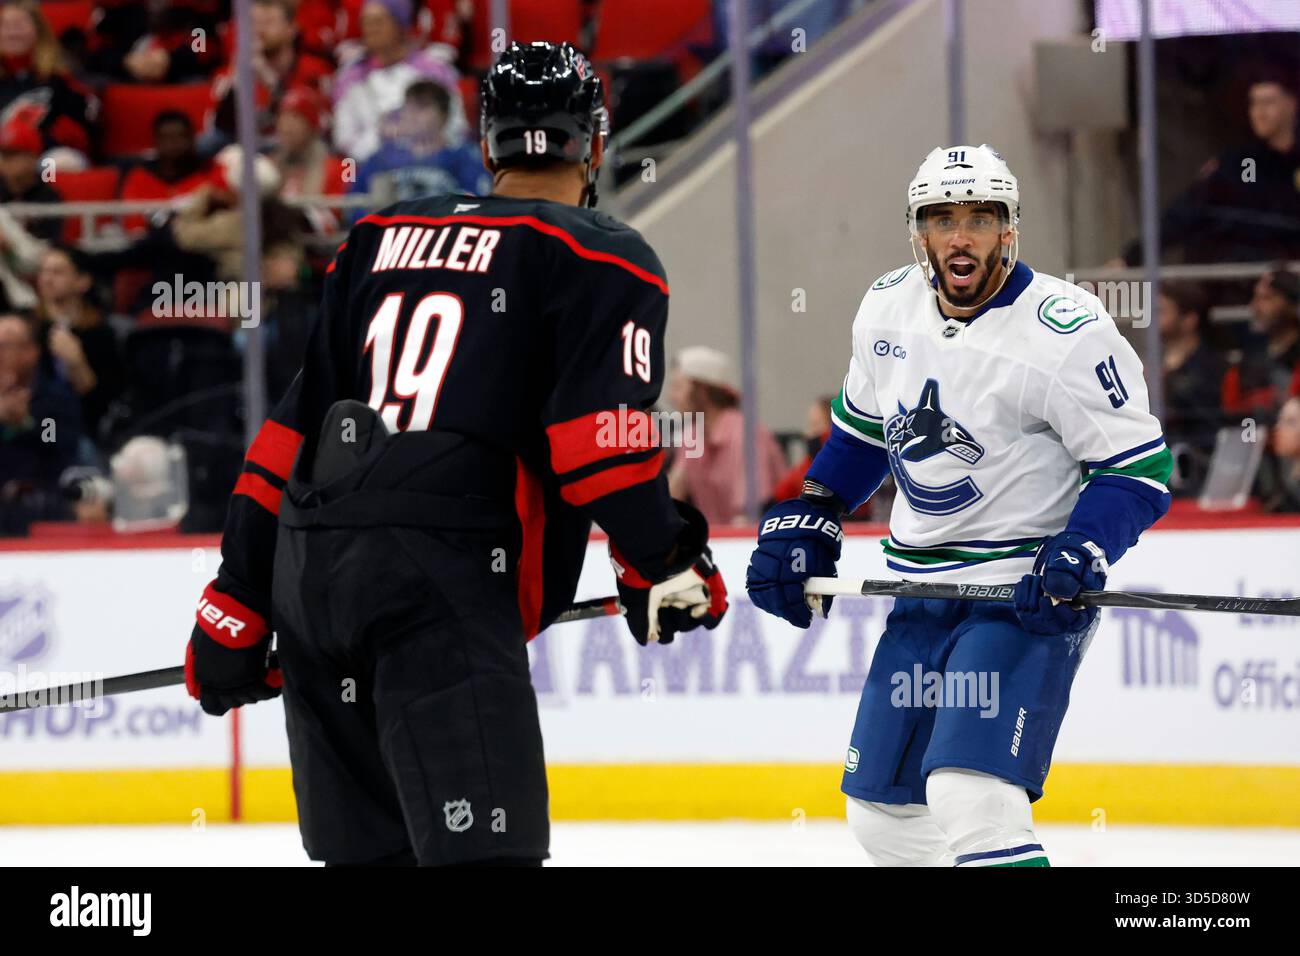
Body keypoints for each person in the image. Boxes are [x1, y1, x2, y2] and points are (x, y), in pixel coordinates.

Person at [183, 41, 728, 867]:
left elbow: (285, 442)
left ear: (486, 145)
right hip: (442, 577)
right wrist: (666, 560)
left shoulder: (377, 237)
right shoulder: (600, 252)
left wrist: (236, 599)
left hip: (312, 570)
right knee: (483, 859)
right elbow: (599, 451)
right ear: (597, 144)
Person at [747, 144, 1171, 867]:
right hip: (921, 593)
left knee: (971, 794)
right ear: (919, 232)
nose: (961, 235)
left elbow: (1139, 470)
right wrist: (815, 511)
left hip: (1022, 595)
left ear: (1010, 229)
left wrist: (1082, 547)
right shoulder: (887, 307)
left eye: (981, 217)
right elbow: (860, 436)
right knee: (884, 814)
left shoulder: (1067, 329)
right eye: (943, 218)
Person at [1117, 73, 1300, 266]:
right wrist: (1133, 256)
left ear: (1291, 104)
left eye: (1269, 102)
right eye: (1254, 103)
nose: (1259, 112)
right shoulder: (1239, 162)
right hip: (1244, 276)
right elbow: (1187, 211)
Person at [331, 0, 468, 163]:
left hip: (432, 164)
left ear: (400, 25)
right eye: (366, 23)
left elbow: (456, 126)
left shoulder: (434, 71)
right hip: (371, 169)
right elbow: (344, 138)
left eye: (379, 22)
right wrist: (382, 143)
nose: (371, 30)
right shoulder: (349, 78)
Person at [665, 345, 786, 525]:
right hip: (719, 544)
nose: (671, 397)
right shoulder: (692, 433)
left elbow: (748, 519)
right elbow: (672, 496)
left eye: (678, 387)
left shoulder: (745, 435)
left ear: (702, 391)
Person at [349, 79, 490, 219]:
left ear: (444, 115)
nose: (413, 114)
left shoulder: (464, 157)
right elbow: (353, 204)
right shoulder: (381, 158)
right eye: (409, 107)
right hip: (392, 235)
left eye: (423, 107)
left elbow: (479, 203)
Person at [35, 245, 124, 442]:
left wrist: (77, 363)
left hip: (83, 431)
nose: (46, 279)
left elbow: (104, 402)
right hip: (35, 431)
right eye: (43, 271)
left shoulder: (101, 333)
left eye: (57, 272)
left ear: (82, 282)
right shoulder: (27, 327)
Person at [1157, 281, 1225, 495]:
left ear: (1189, 320)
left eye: (1161, 311)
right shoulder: (1150, 365)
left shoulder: (1211, 367)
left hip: (1198, 467)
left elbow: (1204, 421)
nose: (1152, 320)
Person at [1223, 267, 1300, 424]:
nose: (1256, 307)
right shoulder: (1252, 352)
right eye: (1255, 298)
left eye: (1267, 298)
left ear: (1292, 304)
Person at [118, 111, 213, 237]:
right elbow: (132, 224)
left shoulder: (210, 173)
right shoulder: (139, 176)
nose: (174, 143)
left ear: (192, 139)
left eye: (181, 136)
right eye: (166, 137)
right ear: (155, 141)